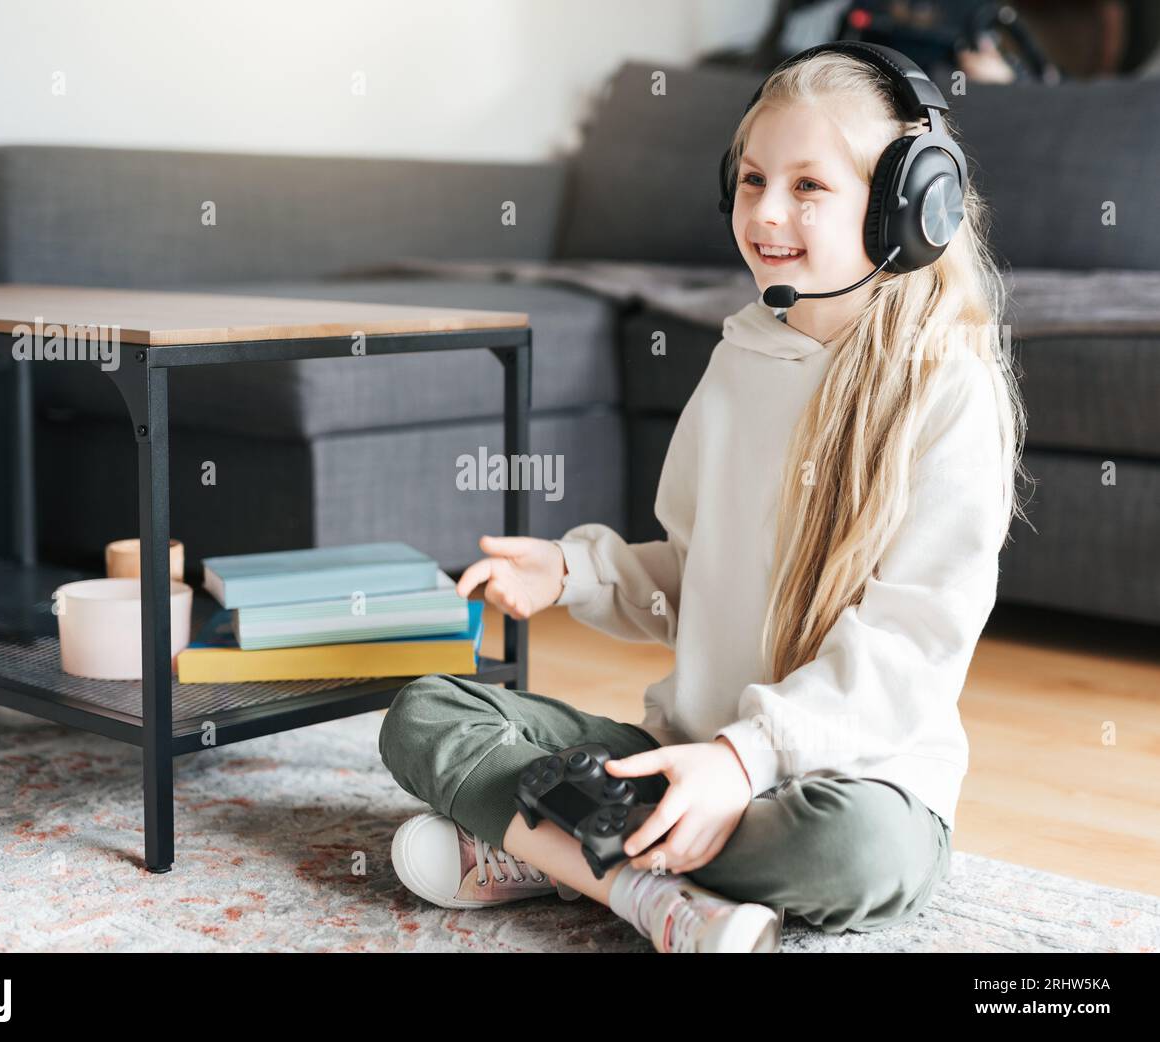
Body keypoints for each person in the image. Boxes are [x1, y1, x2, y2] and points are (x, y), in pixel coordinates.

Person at [378, 45, 1029, 953]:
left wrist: (743, 761)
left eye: (810, 187)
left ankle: (553, 849)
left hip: (845, 783)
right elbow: (694, 578)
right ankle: (655, 895)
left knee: (853, 853)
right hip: (686, 757)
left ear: (907, 208)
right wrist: (575, 571)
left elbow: (910, 649)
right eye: (754, 179)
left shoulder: (950, 391)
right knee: (424, 714)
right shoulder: (741, 358)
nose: (766, 212)